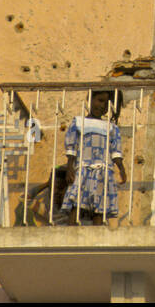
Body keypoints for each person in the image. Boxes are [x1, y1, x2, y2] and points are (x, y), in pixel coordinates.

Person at [60, 90, 127, 225]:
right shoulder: (79, 122)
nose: (102, 106)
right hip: (83, 168)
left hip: (103, 171)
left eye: (107, 104)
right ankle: (70, 230)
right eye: (100, 101)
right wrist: (70, 168)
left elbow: (116, 151)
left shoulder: (112, 128)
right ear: (90, 100)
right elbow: (72, 147)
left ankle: (97, 233)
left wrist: (121, 168)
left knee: (99, 206)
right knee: (77, 201)